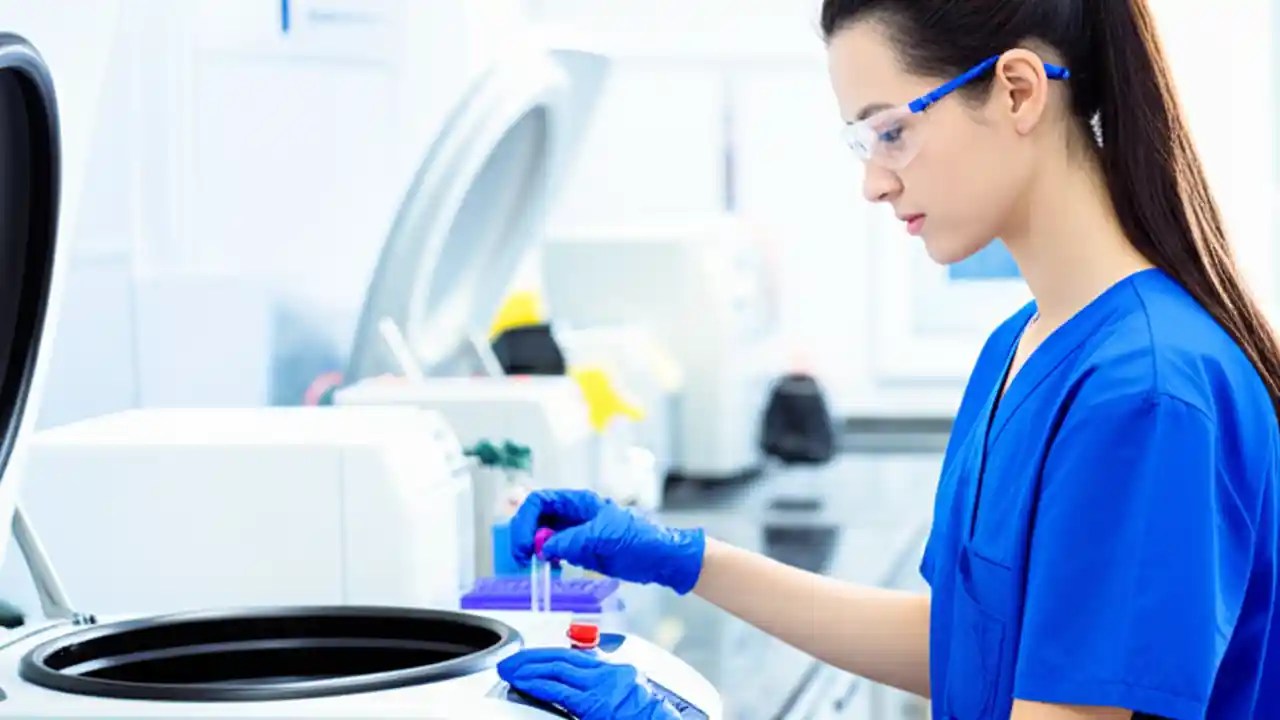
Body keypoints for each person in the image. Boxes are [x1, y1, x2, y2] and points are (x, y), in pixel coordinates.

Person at [494, 0, 1280, 718]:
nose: (873, 181)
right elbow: (962, 645)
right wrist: (688, 561)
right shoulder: (1023, 344)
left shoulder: (1144, 394)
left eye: (891, 132)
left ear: (1016, 91)